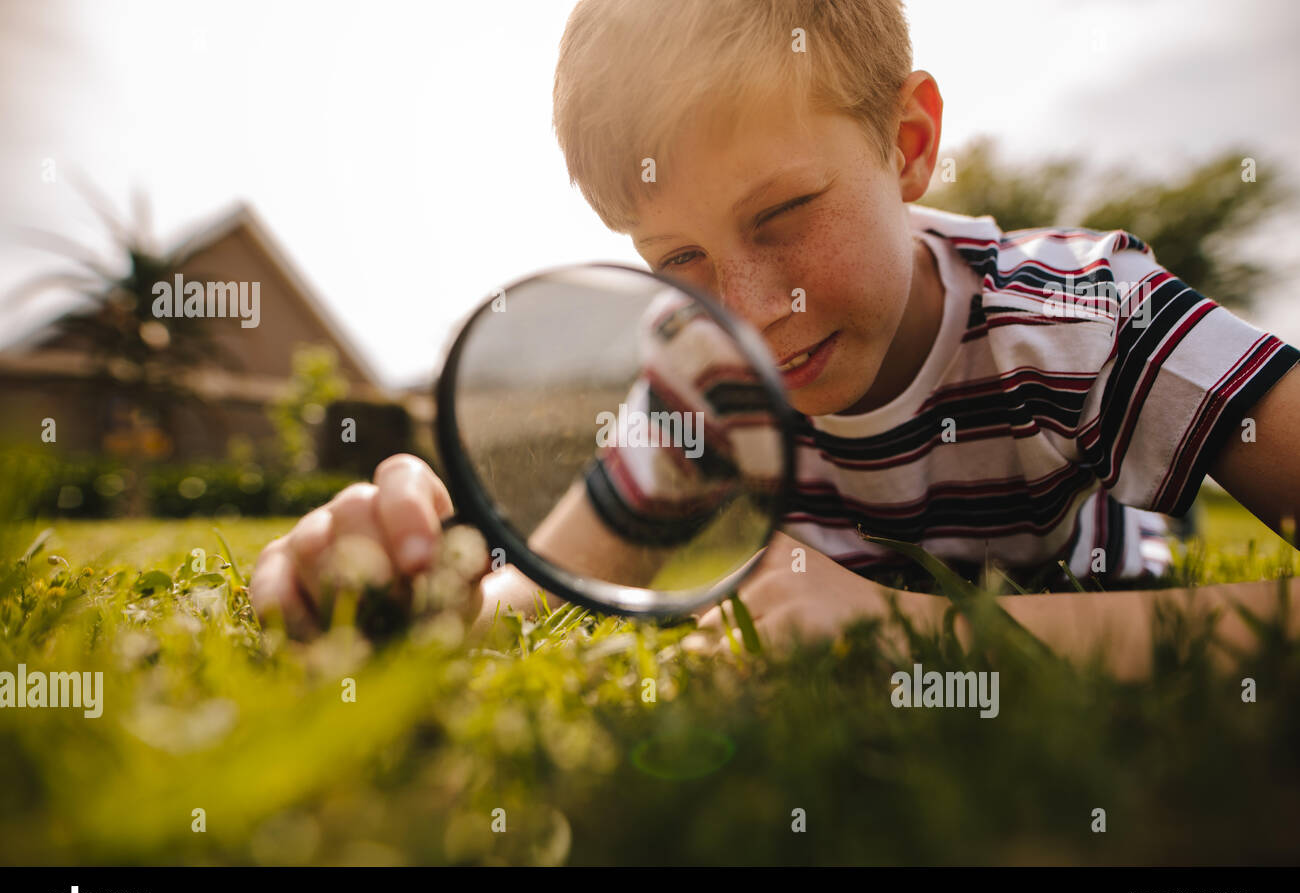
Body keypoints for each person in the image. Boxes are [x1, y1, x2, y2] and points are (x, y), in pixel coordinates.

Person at [251, 0, 1300, 680]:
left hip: (1107, 565)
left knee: (1150, 549)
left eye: (784, 211)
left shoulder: (1086, 316)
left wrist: (924, 635)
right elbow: (543, 585)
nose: (745, 312)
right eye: (678, 258)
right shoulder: (700, 372)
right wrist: (386, 592)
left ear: (908, 143)